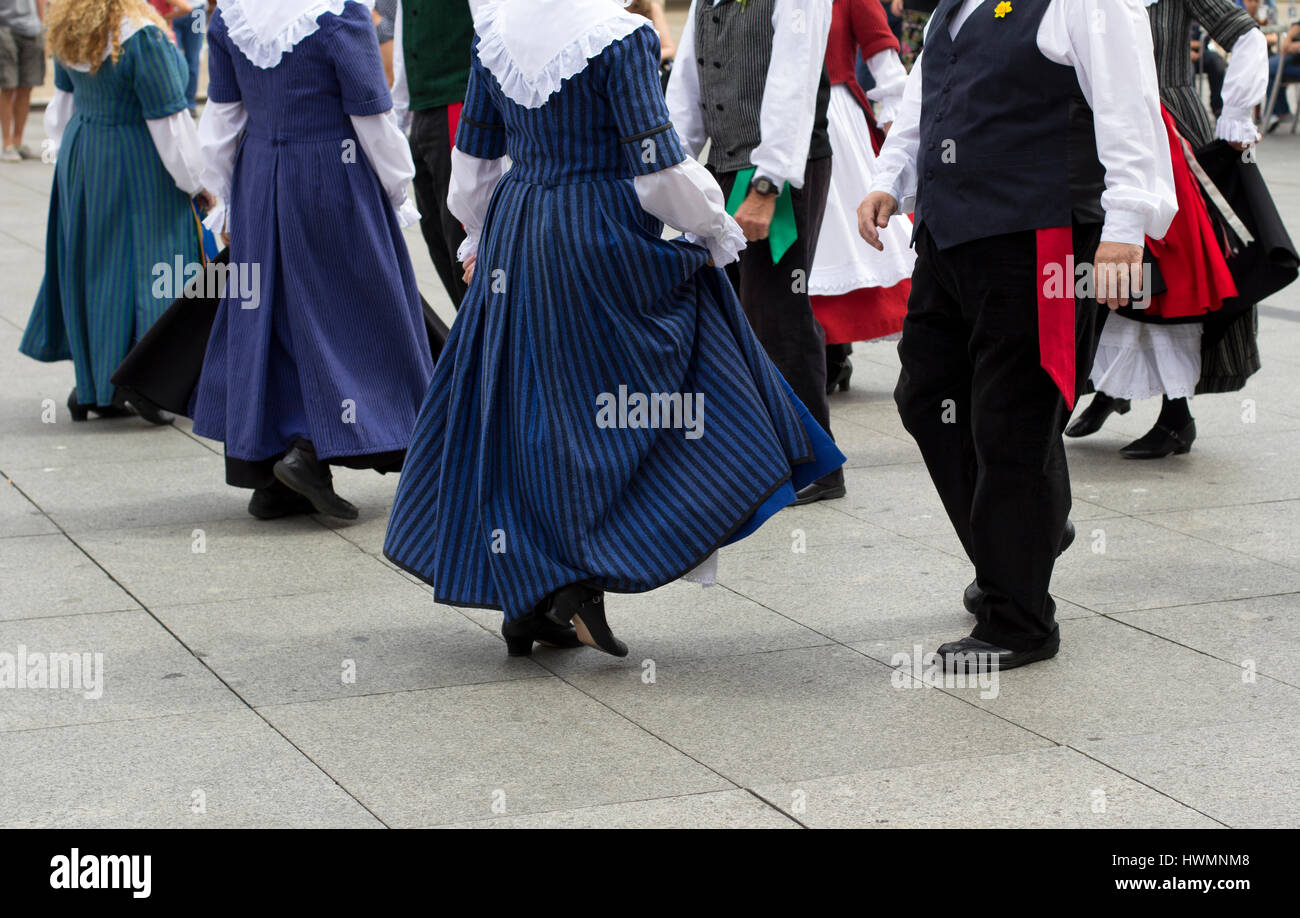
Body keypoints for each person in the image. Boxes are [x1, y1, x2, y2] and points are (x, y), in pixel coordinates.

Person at [383, 0, 845, 659]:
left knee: (525, 408)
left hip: (518, 229)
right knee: (612, 408)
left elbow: (474, 160)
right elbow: (657, 170)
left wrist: (477, 234)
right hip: (597, 230)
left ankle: (529, 594)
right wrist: (711, 225)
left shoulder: (496, 34)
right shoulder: (620, 37)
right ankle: (576, 579)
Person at [859, 0, 1178, 670]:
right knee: (927, 395)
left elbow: (1130, 106)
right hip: (950, 232)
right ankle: (1026, 537)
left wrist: (1126, 227)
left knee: (1015, 419)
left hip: (1043, 235)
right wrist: (891, 178)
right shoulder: (954, 4)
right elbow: (926, 100)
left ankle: (1019, 620)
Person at [191, 0, 434, 521]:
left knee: (271, 314)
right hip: (330, 171)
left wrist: (224, 196)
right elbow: (371, 116)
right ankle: (307, 451)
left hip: (259, 172)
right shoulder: (338, 15)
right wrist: (397, 189)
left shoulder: (233, 15)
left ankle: (275, 468)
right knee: (354, 312)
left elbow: (221, 116)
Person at [1067, 0, 1267, 459]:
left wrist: (1236, 110)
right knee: (1096, 263)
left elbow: (1246, 33)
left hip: (1167, 130)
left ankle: (1176, 416)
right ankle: (1109, 387)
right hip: (1097, 127)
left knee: (1168, 274)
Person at [667, 0, 847, 506]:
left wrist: (767, 183)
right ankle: (760, 453)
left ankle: (815, 462)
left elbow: (794, 79)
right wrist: (670, 170)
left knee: (778, 314)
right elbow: (685, 89)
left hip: (777, 169)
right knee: (737, 315)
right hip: (725, 167)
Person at [19, 0, 206, 423]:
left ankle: (96, 382)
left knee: (95, 265)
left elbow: (61, 111)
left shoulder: (72, 26)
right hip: (136, 158)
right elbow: (170, 125)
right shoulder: (142, 36)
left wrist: (73, 163)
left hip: (85, 154)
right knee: (159, 263)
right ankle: (147, 383)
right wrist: (198, 183)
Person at [814, 0, 914, 395]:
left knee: (836, 237)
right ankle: (807, 349)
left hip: (834, 117)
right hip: (762, 120)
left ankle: (833, 351)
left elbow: (880, 49)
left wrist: (899, 126)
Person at [391, 0, 476, 308]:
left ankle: (483, 340)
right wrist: (398, 118)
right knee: (436, 235)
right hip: (421, 112)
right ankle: (467, 335)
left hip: (458, 105)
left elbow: (488, 26)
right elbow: (402, 45)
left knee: (462, 237)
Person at [0, 0, 45, 162]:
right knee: (8, 85)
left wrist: (41, 25)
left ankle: (18, 141)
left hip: (31, 28)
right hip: (4, 27)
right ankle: (7, 143)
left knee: (26, 85)